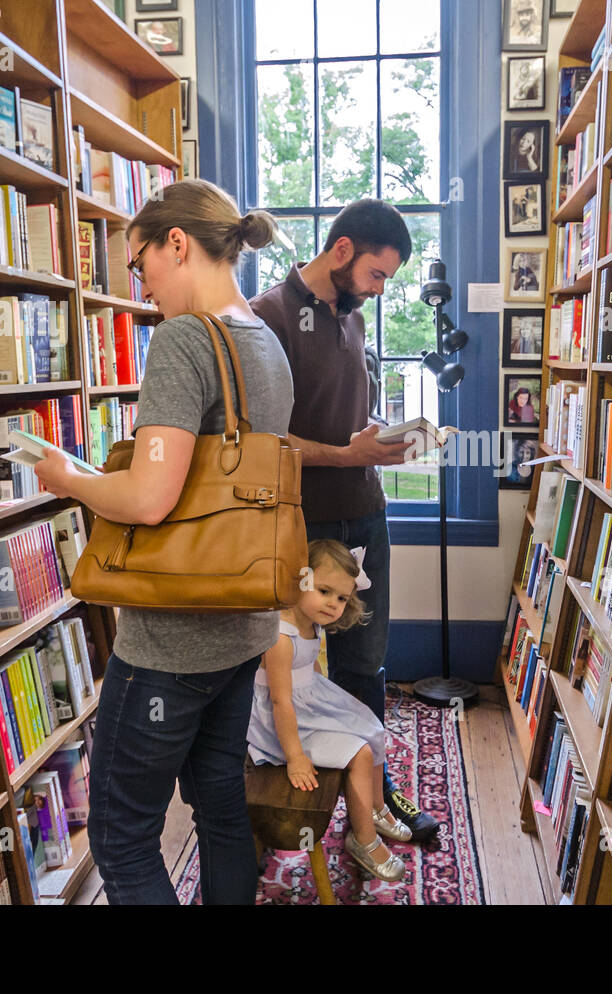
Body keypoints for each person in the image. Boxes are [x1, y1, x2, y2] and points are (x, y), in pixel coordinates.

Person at [34, 179, 293, 904]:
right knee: (219, 805)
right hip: (242, 624)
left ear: (177, 243)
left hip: (171, 643)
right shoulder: (266, 340)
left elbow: (150, 499)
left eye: (141, 264)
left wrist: (71, 479)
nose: (143, 287)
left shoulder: (185, 339)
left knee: (120, 833)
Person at [251, 198, 441, 843]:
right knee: (290, 665)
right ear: (341, 251)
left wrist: (382, 444)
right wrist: (346, 452)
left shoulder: (353, 320)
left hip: (366, 512)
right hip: (301, 526)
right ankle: (291, 781)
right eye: (376, 275)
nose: (380, 290)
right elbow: (259, 443)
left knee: (367, 658)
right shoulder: (266, 318)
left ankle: (376, 795)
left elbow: (342, 420)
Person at [247, 540, 411, 882]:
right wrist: (295, 757)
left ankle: (376, 807)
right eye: (324, 591)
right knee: (361, 753)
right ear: (300, 579)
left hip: (306, 702)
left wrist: (333, 705)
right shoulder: (280, 637)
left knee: (371, 726)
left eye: (341, 598)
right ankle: (363, 839)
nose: (333, 604)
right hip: (281, 724)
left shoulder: (309, 621)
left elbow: (311, 670)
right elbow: (280, 702)